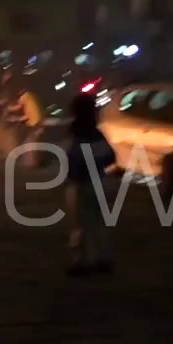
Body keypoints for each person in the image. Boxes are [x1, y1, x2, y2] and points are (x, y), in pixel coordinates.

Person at [65, 93, 115, 276]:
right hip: (100, 182)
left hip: (80, 184)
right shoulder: (97, 134)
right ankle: (102, 259)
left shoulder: (75, 134)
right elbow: (110, 157)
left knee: (80, 224)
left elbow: (72, 161)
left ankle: (81, 261)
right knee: (100, 222)